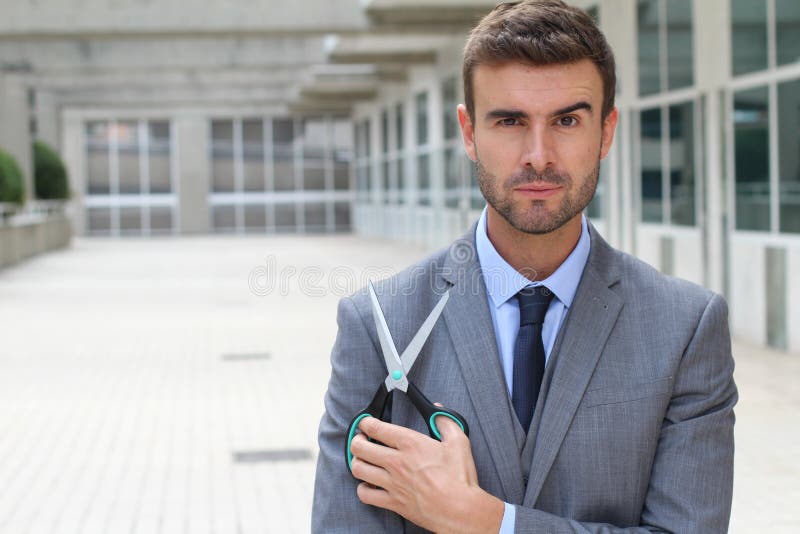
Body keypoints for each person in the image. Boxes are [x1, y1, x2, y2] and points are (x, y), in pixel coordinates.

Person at [312, 1, 737, 532]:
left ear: (605, 132)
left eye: (566, 120)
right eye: (510, 120)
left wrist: (491, 522)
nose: (539, 154)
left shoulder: (685, 329)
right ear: (469, 132)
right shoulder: (377, 324)